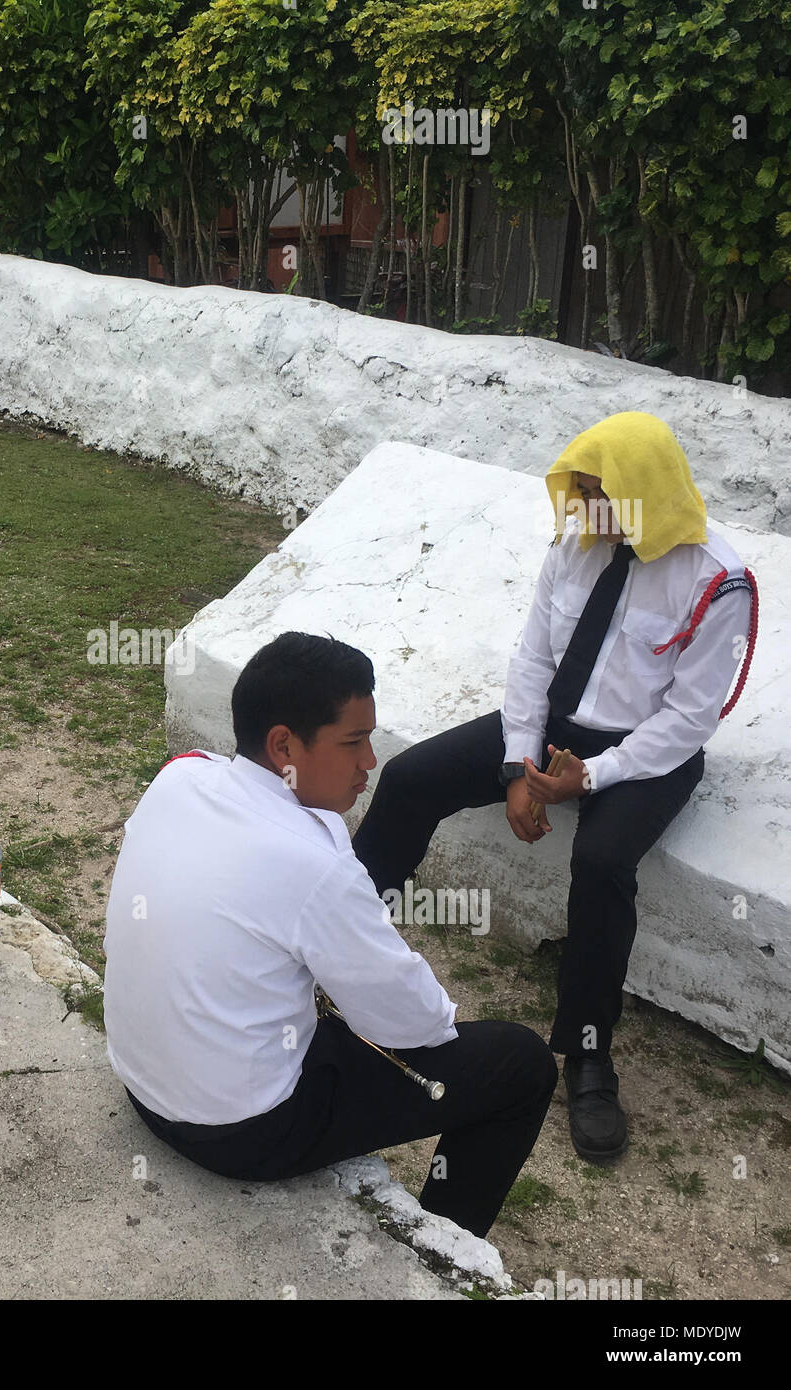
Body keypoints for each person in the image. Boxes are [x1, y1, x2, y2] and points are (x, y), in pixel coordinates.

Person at [352, 411, 756, 1163]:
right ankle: (340, 937)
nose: (588, 508)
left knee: (602, 863)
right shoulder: (574, 547)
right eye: (584, 490)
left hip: (648, 751)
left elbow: (690, 718)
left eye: (604, 494)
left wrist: (589, 777)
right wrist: (519, 768)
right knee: (411, 779)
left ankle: (587, 1056)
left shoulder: (717, 582)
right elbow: (533, 662)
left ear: (647, 489)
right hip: (551, 727)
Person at [104, 632, 557, 1239]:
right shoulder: (314, 860)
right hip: (238, 1132)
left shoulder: (181, 776)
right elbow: (413, 1022)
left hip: (142, 1085)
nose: (370, 762)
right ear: (283, 745)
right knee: (521, 1065)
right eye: (353, 742)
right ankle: (441, 1246)